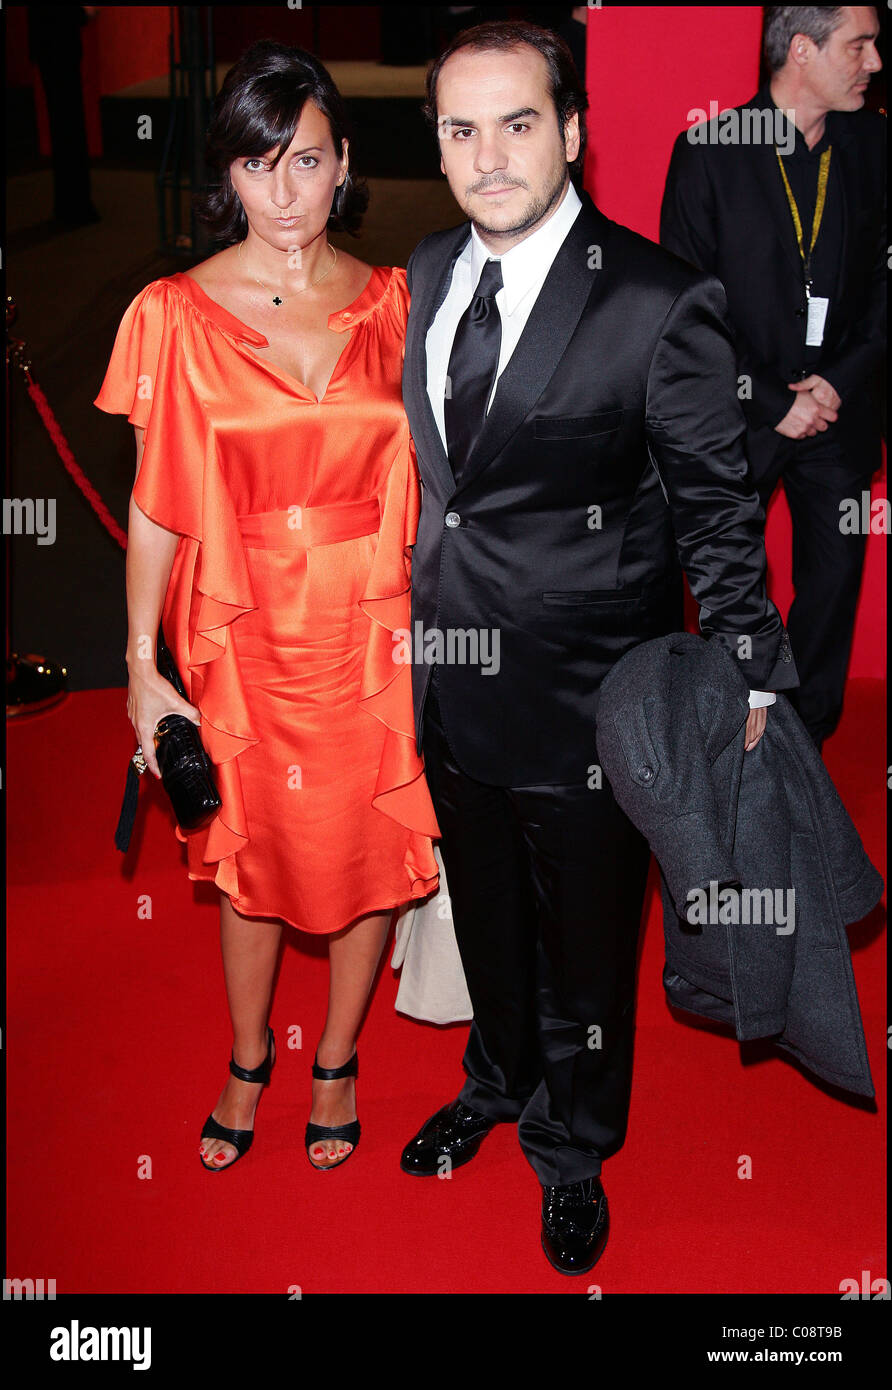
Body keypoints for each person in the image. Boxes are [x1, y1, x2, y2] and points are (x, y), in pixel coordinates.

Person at [398, 20, 798, 1274]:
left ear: (569, 132)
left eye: (518, 123)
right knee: (487, 918)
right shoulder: (424, 270)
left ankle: (573, 1146)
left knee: (583, 942)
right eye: (462, 130)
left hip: (589, 701)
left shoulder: (653, 298)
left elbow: (715, 502)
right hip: (452, 687)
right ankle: (495, 1077)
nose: (490, 156)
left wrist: (747, 667)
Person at [94, 40, 439, 1174]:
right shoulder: (172, 315)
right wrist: (143, 664)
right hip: (242, 635)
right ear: (225, 175)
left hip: (375, 631)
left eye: (305, 161)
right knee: (248, 863)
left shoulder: (403, 304)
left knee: (369, 852)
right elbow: (155, 505)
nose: (282, 193)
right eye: (256, 165)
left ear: (344, 166)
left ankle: (334, 1056)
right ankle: (251, 1054)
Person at [660, 5, 885, 751]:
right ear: (801, 49)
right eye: (859, 44)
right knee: (727, 586)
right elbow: (689, 312)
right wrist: (769, 399)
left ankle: (804, 742)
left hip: (836, 412)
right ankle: (732, 730)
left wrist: (835, 386)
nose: (874, 62)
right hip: (741, 415)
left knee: (832, 587)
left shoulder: (875, 144)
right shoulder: (708, 151)